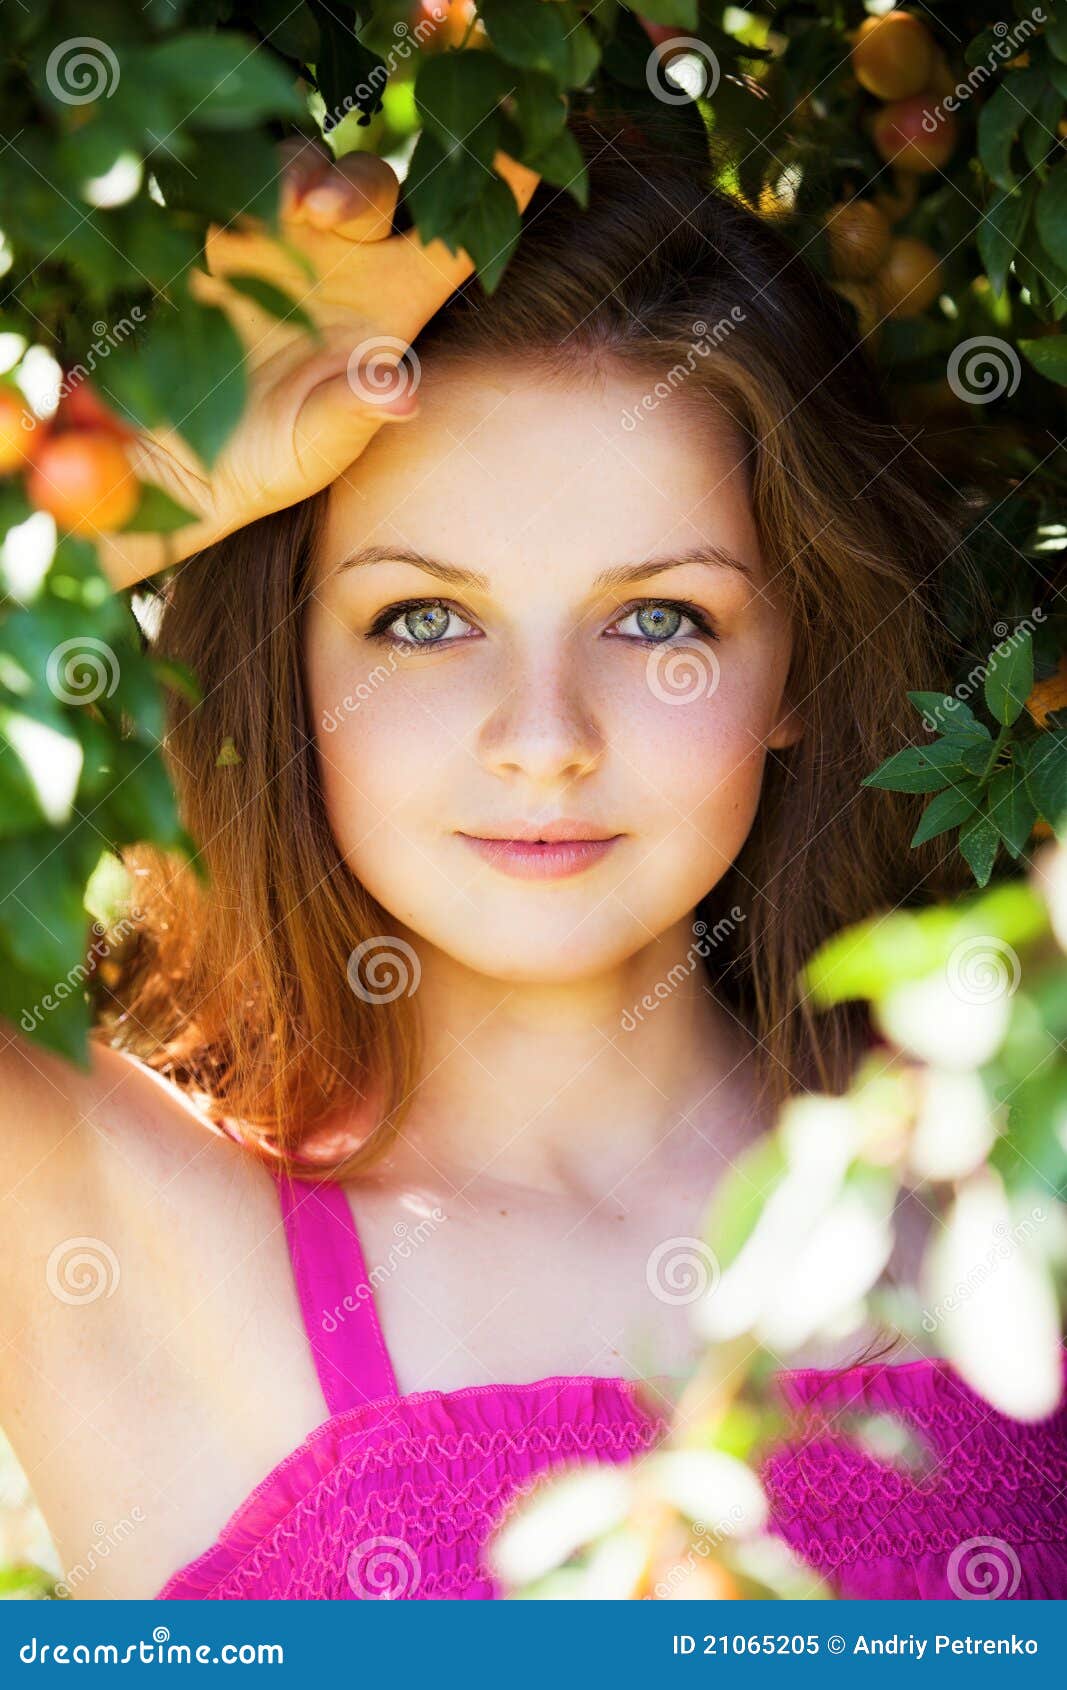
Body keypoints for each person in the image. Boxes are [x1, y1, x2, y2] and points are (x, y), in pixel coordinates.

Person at [2, 120, 1064, 1601]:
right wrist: (141, 468)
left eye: (659, 618)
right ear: (289, 667)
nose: (543, 737)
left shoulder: (1026, 1205)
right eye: (424, 620)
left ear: (800, 660)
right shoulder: (113, 1222)